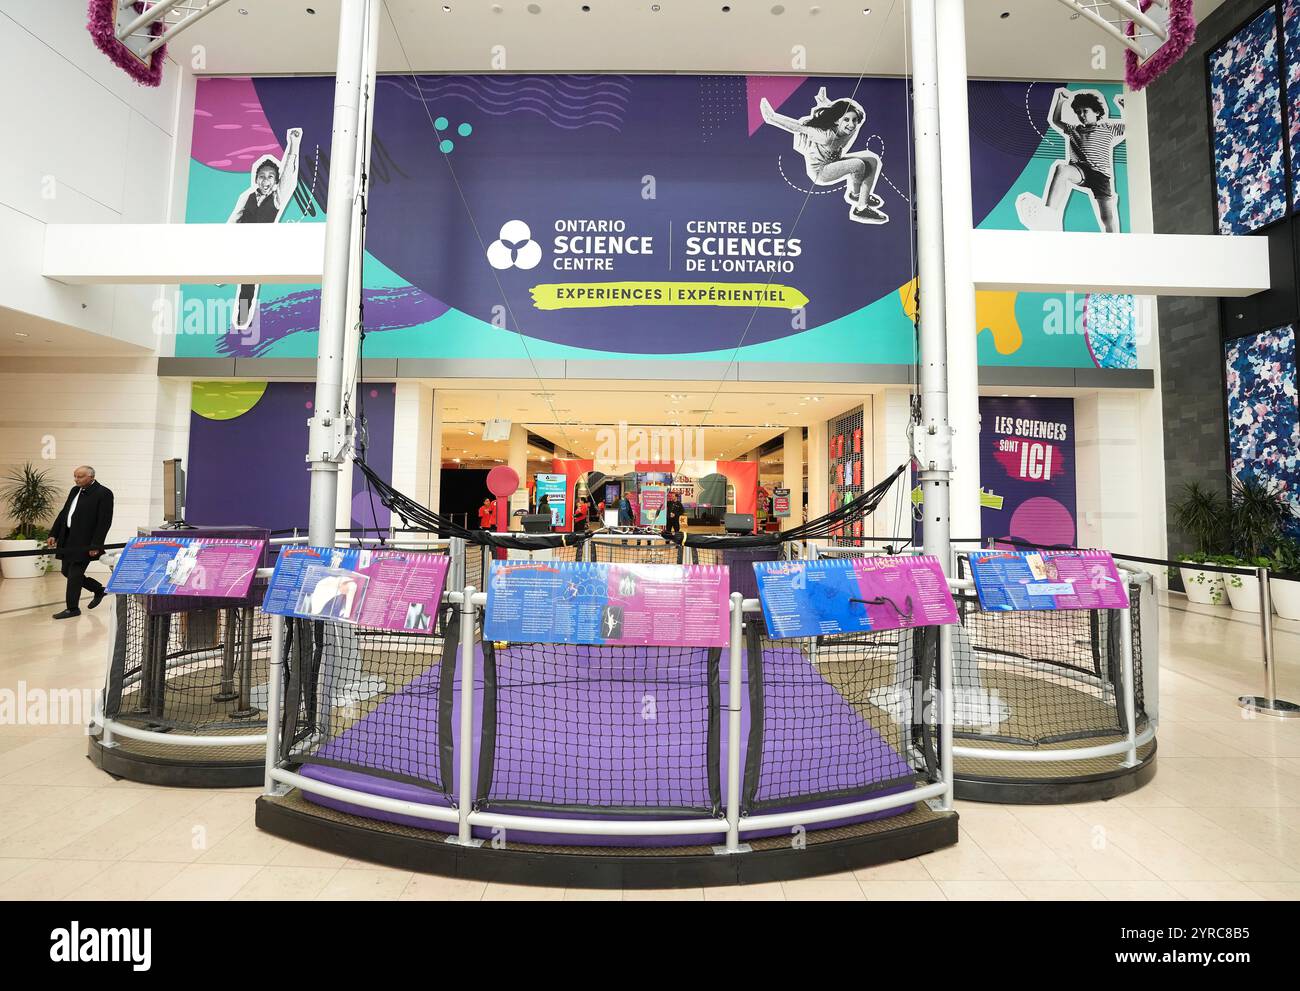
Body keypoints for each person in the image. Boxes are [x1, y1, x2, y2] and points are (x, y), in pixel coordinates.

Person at [759, 87, 887, 225]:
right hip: (821, 172)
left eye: (854, 120)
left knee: (872, 161)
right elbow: (798, 127)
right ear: (838, 121)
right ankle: (861, 209)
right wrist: (771, 117)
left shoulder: (851, 128)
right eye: (846, 120)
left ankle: (857, 196)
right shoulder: (825, 136)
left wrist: (824, 102)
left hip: (834, 162)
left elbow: (836, 111)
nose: (851, 124)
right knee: (858, 165)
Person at [1016, 89, 1126, 234]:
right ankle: (1049, 217)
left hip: (1101, 176)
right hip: (1080, 170)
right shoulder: (1075, 129)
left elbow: (1130, 126)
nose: (1081, 115)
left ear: (1097, 112)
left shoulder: (1109, 128)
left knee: (1107, 218)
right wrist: (1060, 101)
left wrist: (1124, 108)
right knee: (1062, 169)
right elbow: (1056, 120)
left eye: (1085, 111)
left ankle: (1114, 241)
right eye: (1078, 112)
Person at [228, 128, 302, 329]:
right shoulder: (247, 197)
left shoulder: (277, 198)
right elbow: (234, 221)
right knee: (242, 277)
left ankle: (243, 318)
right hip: (243, 244)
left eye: (270, 177)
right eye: (262, 176)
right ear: (256, 178)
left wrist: (293, 145)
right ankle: (221, 275)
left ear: (275, 181)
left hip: (260, 249)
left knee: (248, 284)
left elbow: (287, 174)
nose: (266, 180)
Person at [47, 465, 114, 620]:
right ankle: (99, 590)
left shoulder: (104, 493)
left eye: (80, 476)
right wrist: (54, 533)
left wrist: (96, 545)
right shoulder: (74, 490)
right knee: (66, 571)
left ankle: (72, 608)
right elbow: (64, 513)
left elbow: (104, 522)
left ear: (91, 477)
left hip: (86, 542)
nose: (76, 479)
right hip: (68, 539)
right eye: (75, 476)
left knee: (75, 574)